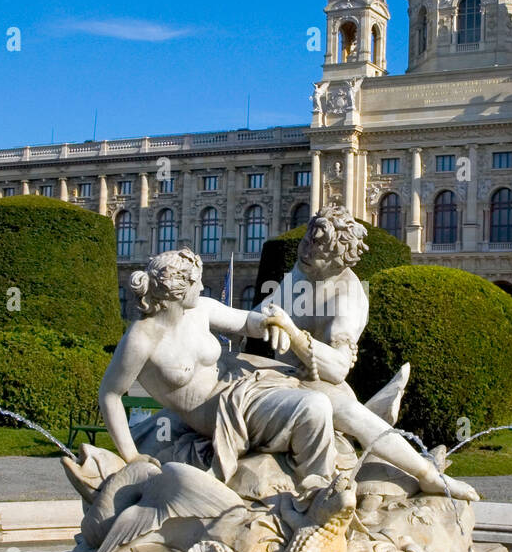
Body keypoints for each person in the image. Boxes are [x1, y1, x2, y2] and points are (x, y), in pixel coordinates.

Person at [259, 206, 479, 501]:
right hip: (274, 374)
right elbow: (263, 311)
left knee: (349, 412)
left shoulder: (348, 299)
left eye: (318, 250)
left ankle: (428, 476)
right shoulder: (306, 266)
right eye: (306, 243)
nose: (307, 253)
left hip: (318, 384)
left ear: (339, 261)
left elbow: (337, 369)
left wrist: (292, 332)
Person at [98, 248, 336, 488]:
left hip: (244, 387)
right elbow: (109, 395)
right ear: (179, 289)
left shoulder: (199, 309)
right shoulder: (141, 339)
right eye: (197, 282)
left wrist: (268, 322)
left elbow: (244, 321)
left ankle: (318, 491)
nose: (202, 288)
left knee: (326, 398)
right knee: (313, 407)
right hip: (224, 413)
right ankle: (315, 493)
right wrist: (132, 457)